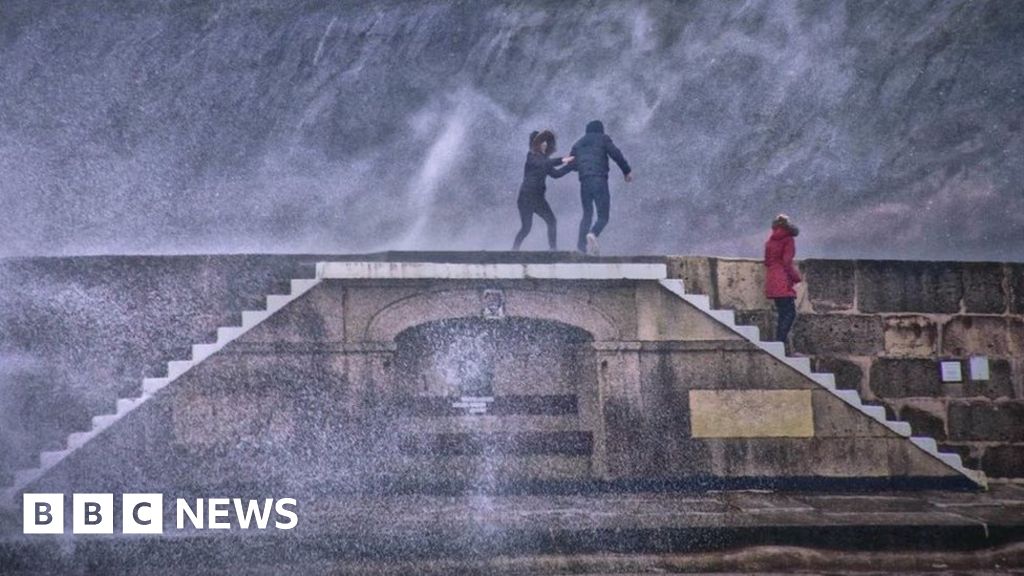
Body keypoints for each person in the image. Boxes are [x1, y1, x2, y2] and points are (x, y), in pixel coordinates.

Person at [569, 120, 632, 255]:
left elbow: (572, 164)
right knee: (603, 216)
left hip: (584, 182)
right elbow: (616, 154)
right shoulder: (603, 139)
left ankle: (581, 246)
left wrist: (553, 170)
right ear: (600, 130)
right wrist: (626, 171)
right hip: (599, 180)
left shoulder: (578, 143)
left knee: (587, 214)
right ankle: (593, 233)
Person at [512, 130, 574, 251]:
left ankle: (553, 249)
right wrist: (562, 160)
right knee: (526, 228)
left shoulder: (545, 161)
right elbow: (542, 163)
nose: (545, 145)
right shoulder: (531, 156)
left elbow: (556, 174)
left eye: (545, 143)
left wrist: (570, 166)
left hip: (538, 199)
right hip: (526, 198)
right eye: (542, 142)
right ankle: (514, 250)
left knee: (551, 221)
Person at [764, 214, 802, 348]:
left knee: (782, 313)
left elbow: (767, 262)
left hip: (772, 280)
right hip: (782, 280)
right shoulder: (788, 239)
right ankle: (779, 342)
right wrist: (796, 277)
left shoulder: (770, 241)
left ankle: (779, 342)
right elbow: (787, 262)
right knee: (790, 313)